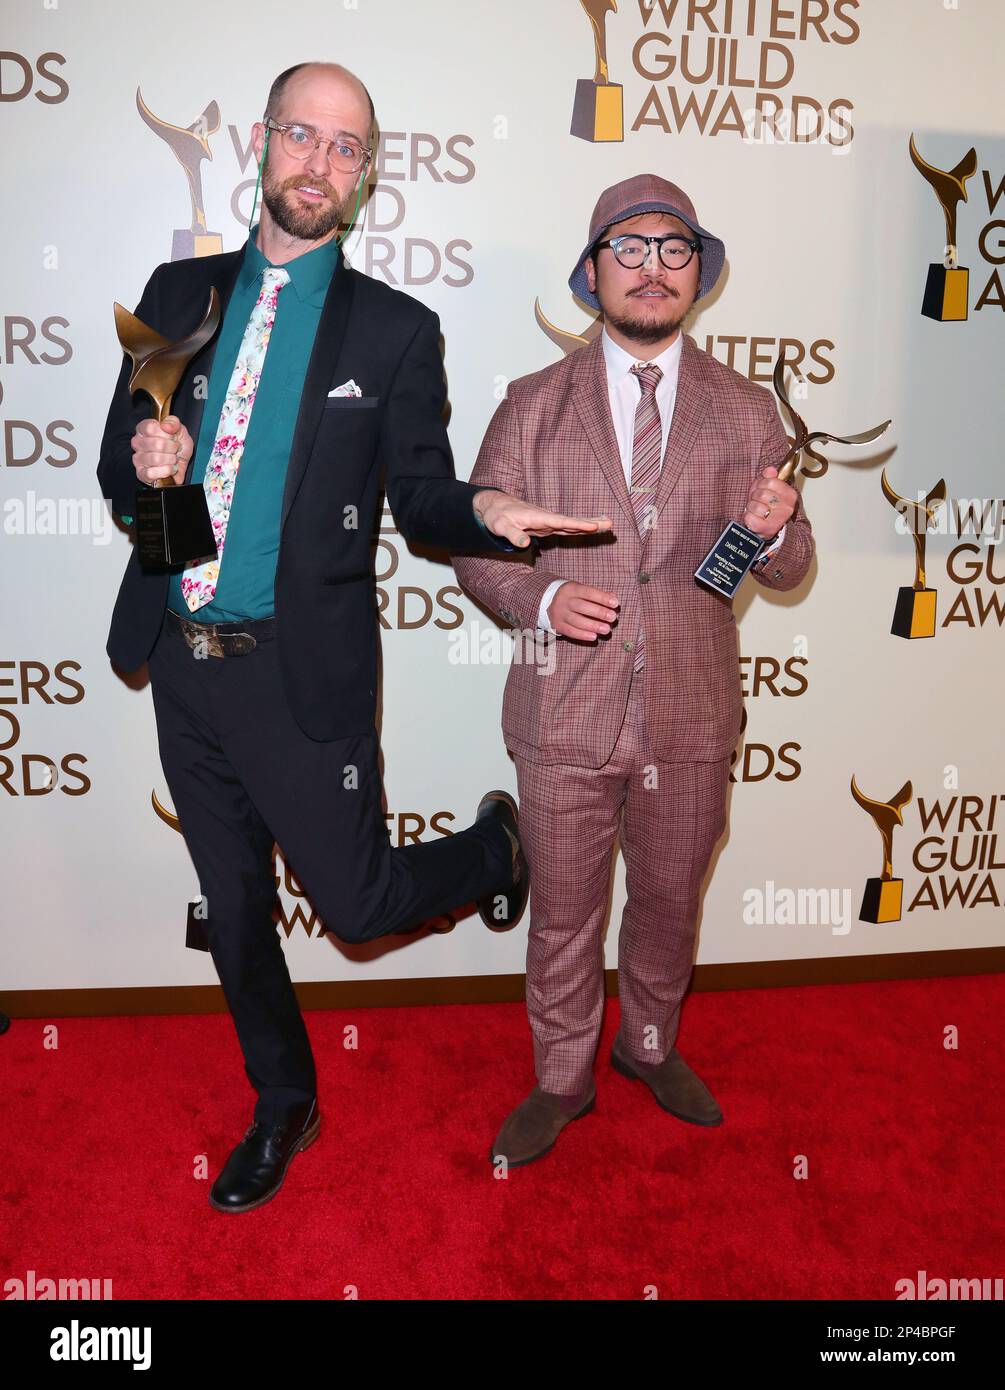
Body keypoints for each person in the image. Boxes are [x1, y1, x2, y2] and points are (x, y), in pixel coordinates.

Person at [97, 61, 610, 1213]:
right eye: (301, 134)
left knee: (363, 904)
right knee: (232, 910)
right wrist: (143, 472)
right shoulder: (174, 296)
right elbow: (114, 472)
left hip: (300, 674)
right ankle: (285, 1104)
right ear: (264, 147)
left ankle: (495, 852)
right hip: (183, 661)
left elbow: (422, 495)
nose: (318, 162)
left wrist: (483, 510)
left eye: (344, 146)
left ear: (366, 176)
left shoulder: (393, 331)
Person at [453, 174, 814, 1166]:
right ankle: (562, 1079)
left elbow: (789, 564)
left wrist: (773, 536)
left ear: (699, 271)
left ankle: (648, 1045)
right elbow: (476, 546)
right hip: (564, 716)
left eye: (673, 249)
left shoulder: (746, 411)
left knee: (667, 901)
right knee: (565, 914)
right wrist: (541, 602)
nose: (652, 270)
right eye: (630, 248)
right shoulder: (530, 405)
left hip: (692, 718)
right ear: (593, 271)